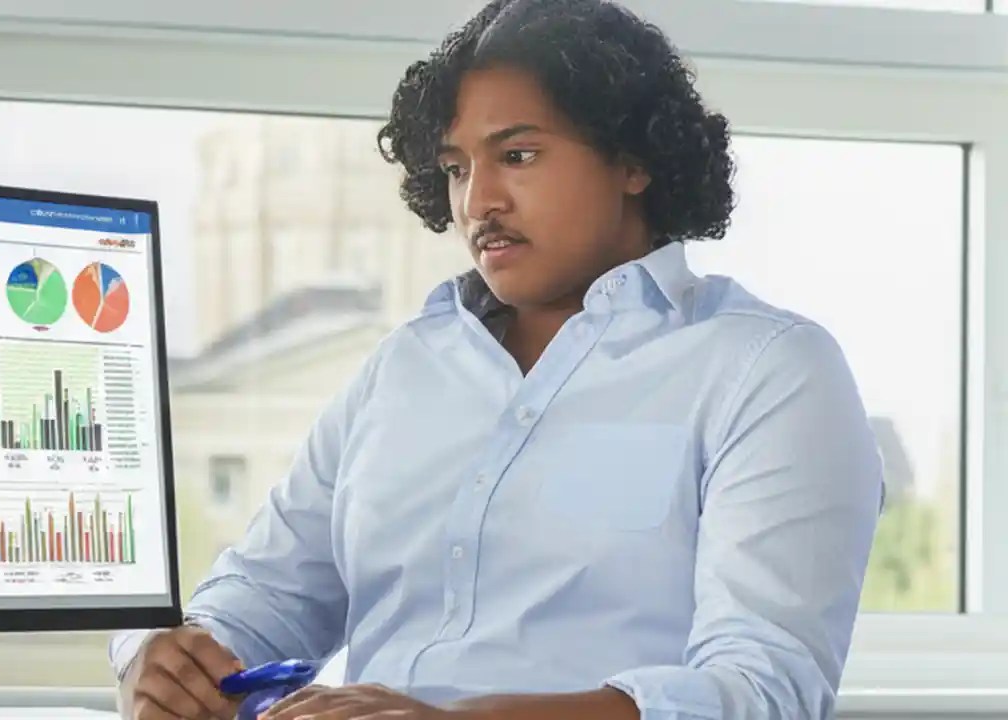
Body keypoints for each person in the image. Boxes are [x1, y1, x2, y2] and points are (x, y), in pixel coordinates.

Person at [111, 0, 885, 717]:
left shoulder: (768, 370)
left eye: (517, 154)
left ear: (633, 161)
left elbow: (764, 691)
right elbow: (267, 593)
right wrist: (172, 656)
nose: (479, 201)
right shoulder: (402, 368)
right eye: (456, 168)